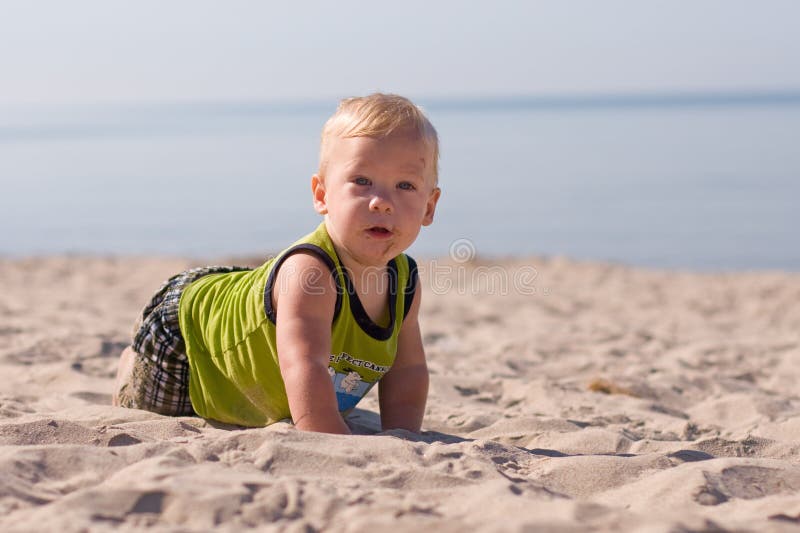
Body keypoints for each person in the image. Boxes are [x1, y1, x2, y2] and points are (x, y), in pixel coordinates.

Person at [113, 93, 441, 435]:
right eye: (361, 181)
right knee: (155, 407)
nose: (381, 202)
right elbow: (305, 365)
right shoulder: (311, 273)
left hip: (252, 302)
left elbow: (409, 370)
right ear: (322, 195)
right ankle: (129, 366)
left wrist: (404, 436)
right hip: (189, 332)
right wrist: (334, 442)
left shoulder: (404, 281)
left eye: (405, 185)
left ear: (429, 207)